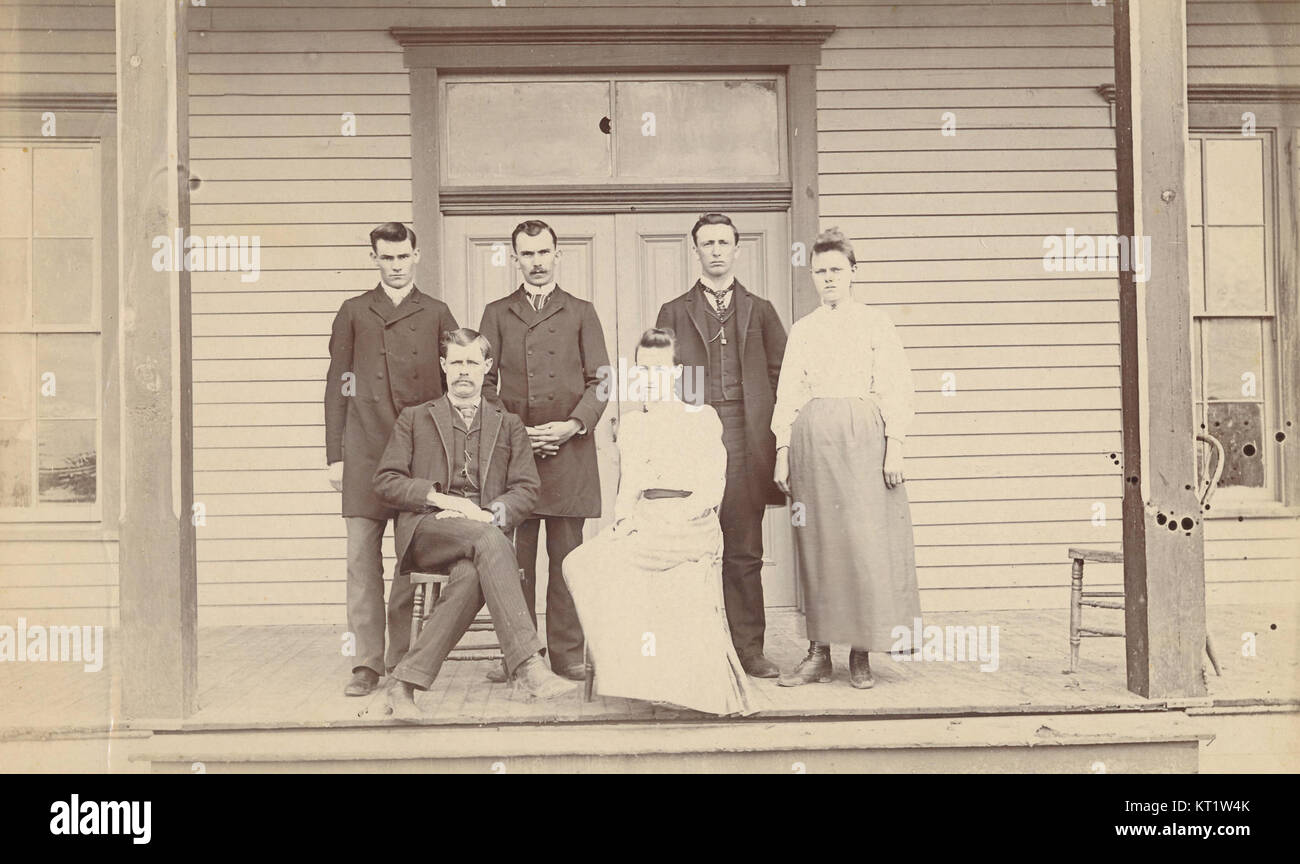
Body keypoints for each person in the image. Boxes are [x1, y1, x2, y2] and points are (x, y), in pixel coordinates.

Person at [376, 328, 575, 720]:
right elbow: (386, 480)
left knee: (472, 572)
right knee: (490, 541)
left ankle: (404, 685)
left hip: (480, 532)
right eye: (456, 362)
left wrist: (487, 513)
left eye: (471, 362)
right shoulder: (415, 418)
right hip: (429, 529)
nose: (463, 371)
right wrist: (441, 499)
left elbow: (525, 488)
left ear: (486, 368)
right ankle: (528, 666)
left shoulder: (509, 424)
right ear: (443, 366)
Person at [564, 329, 758, 716]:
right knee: (580, 563)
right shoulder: (635, 425)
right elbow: (630, 486)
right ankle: (631, 672)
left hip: (690, 524)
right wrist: (624, 520)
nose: (650, 378)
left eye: (658, 369)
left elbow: (712, 486)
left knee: (633, 564)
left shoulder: (701, 417)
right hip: (647, 522)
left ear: (677, 372)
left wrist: (677, 518)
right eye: (642, 370)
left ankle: (665, 677)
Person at [771, 227, 921, 689]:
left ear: (853, 273)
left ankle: (860, 654)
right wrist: (782, 450)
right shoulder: (803, 329)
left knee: (861, 544)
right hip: (812, 441)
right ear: (812, 276)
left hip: (863, 440)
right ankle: (819, 652)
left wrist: (894, 445)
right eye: (820, 272)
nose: (828, 279)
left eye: (836, 270)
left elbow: (896, 386)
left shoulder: (876, 324)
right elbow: (789, 391)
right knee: (818, 545)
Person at [325, 222, 459, 697]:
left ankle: (402, 659)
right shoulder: (355, 312)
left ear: (416, 256)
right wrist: (335, 457)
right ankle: (366, 663)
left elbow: (453, 386)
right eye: (387, 258)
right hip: (363, 452)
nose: (396, 266)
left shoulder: (438, 312)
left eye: (403, 257)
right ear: (374, 259)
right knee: (361, 562)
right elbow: (338, 384)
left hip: (417, 458)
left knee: (408, 559)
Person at [654, 213, 787, 679]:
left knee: (744, 550)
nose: (715, 250)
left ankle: (749, 649)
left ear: (736, 248)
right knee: (689, 547)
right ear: (695, 250)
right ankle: (696, 648)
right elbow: (658, 379)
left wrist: (774, 440)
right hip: (694, 438)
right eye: (706, 242)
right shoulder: (672, 311)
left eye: (723, 242)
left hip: (747, 440)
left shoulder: (762, 309)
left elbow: (781, 378)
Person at [478, 220, 611, 682]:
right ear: (514, 259)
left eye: (543, 253)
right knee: (514, 562)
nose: (536, 262)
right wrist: (518, 432)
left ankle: (567, 654)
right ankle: (520, 655)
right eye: (527, 254)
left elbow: (603, 379)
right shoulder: (496, 313)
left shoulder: (580, 311)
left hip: (569, 453)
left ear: (558, 255)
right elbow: (484, 383)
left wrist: (573, 424)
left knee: (566, 558)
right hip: (516, 457)